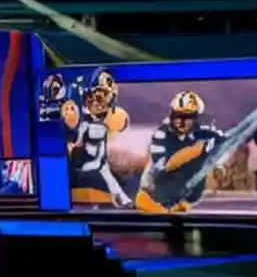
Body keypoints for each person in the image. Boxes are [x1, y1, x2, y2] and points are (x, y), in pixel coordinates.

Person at [135, 91, 227, 214]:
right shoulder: (161, 135)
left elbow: (225, 143)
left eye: (187, 117)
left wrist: (219, 164)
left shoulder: (204, 133)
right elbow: (167, 165)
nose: (181, 121)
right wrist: (196, 150)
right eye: (177, 116)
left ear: (195, 118)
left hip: (192, 203)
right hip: (159, 200)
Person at [66, 68, 132, 207]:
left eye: (104, 96)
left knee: (112, 179)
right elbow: (74, 140)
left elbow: (120, 126)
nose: (99, 102)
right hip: (84, 168)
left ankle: (123, 200)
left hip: (100, 164)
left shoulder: (109, 119)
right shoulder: (83, 122)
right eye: (95, 96)